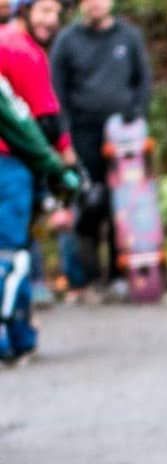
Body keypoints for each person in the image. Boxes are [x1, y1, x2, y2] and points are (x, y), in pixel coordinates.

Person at [50, 0, 151, 298]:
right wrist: (63, 136)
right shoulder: (67, 40)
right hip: (83, 135)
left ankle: (121, 275)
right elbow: (57, 90)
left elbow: (143, 80)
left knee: (125, 206)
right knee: (90, 203)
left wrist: (137, 113)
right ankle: (91, 277)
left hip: (124, 138)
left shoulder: (128, 36)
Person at [0, 0, 75, 306]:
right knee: (11, 250)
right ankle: (15, 324)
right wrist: (65, 162)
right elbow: (45, 118)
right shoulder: (23, 50)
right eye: (44, 11)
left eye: (56, 12)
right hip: (11, 161)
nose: (52, 19)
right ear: (24, 11)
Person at [0, 68, 79, 359]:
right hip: (7, 168)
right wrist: (55, 167)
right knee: (9, 256)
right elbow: (19, 122)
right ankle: (14, 336)